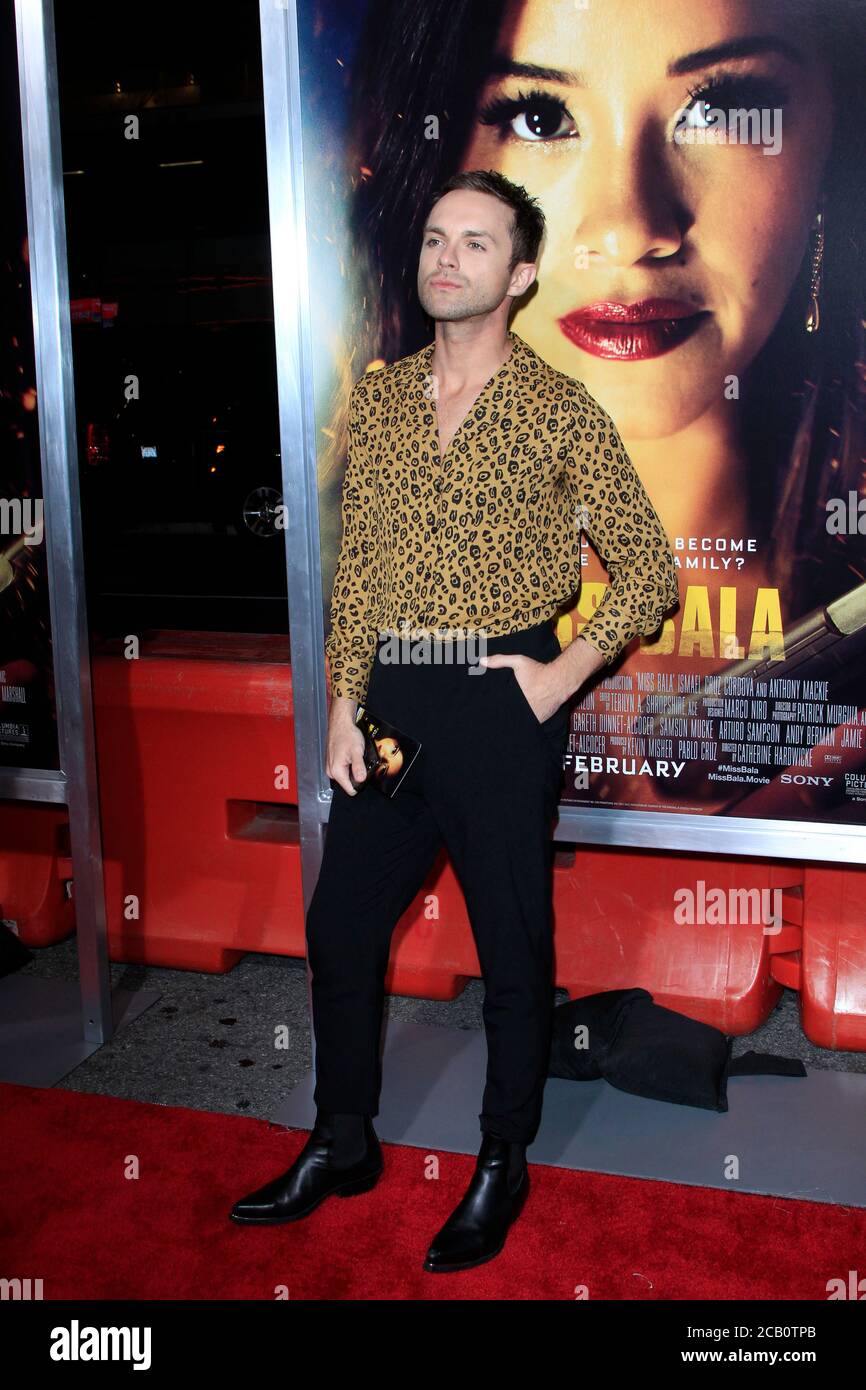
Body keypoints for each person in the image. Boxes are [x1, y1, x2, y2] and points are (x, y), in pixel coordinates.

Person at [230, 170, 678, 1273]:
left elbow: (649, 569)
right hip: (389, 700)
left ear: (519, 274)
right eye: (436, 238)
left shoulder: (556, 407)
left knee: (512, 952)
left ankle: (500, 1160)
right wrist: (342, 698)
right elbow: (366, 564)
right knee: (340, 927)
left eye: (475, 243)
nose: (446, 257)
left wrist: (552, 674)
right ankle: (343, 1140)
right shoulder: (381, 400)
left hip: (497, 700)